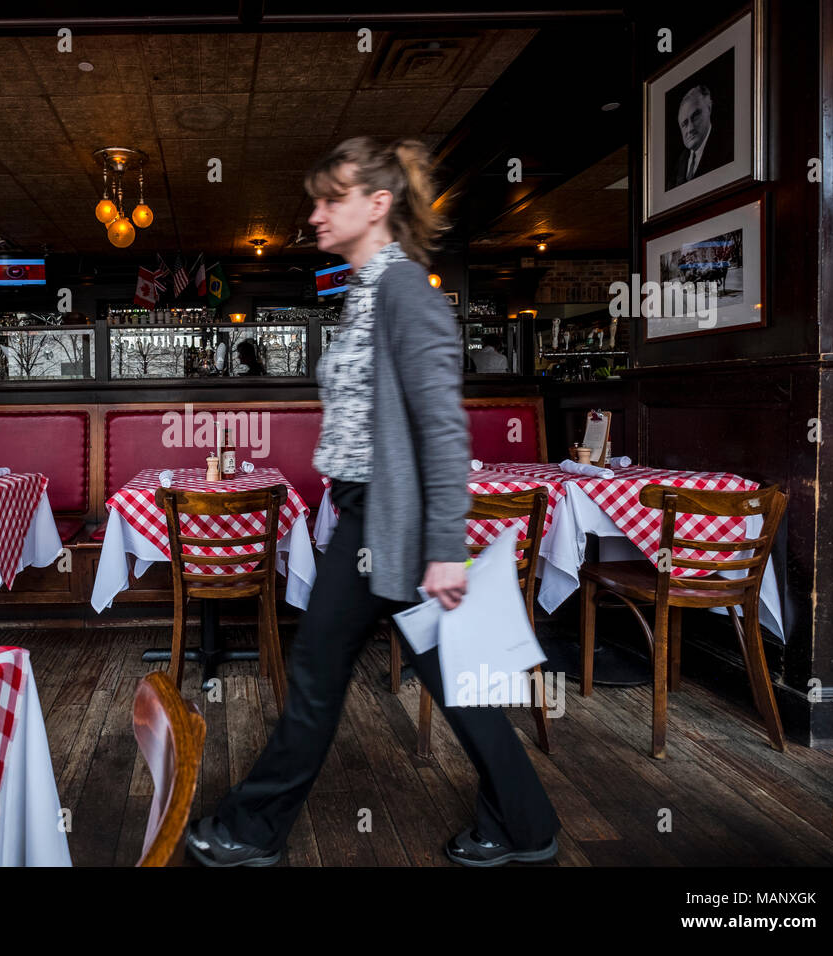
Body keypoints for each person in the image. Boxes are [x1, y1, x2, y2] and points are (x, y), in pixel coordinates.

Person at [186, 135, 561, 868]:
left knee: (319, 678)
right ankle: (525, 823)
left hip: (389, 523)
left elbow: (445, 432)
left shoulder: (402, 293)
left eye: (333, 198)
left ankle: (252, 830)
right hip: (370, 516)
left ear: (378, 204)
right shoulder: (366, 291)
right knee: (454, 682)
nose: (317, 214)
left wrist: (445, 547)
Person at [668, 84, 724, 189]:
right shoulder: (679, 164)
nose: (690, 128)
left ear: (709, 108)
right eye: (684, 124)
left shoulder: (726, 147)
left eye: (695, 115)